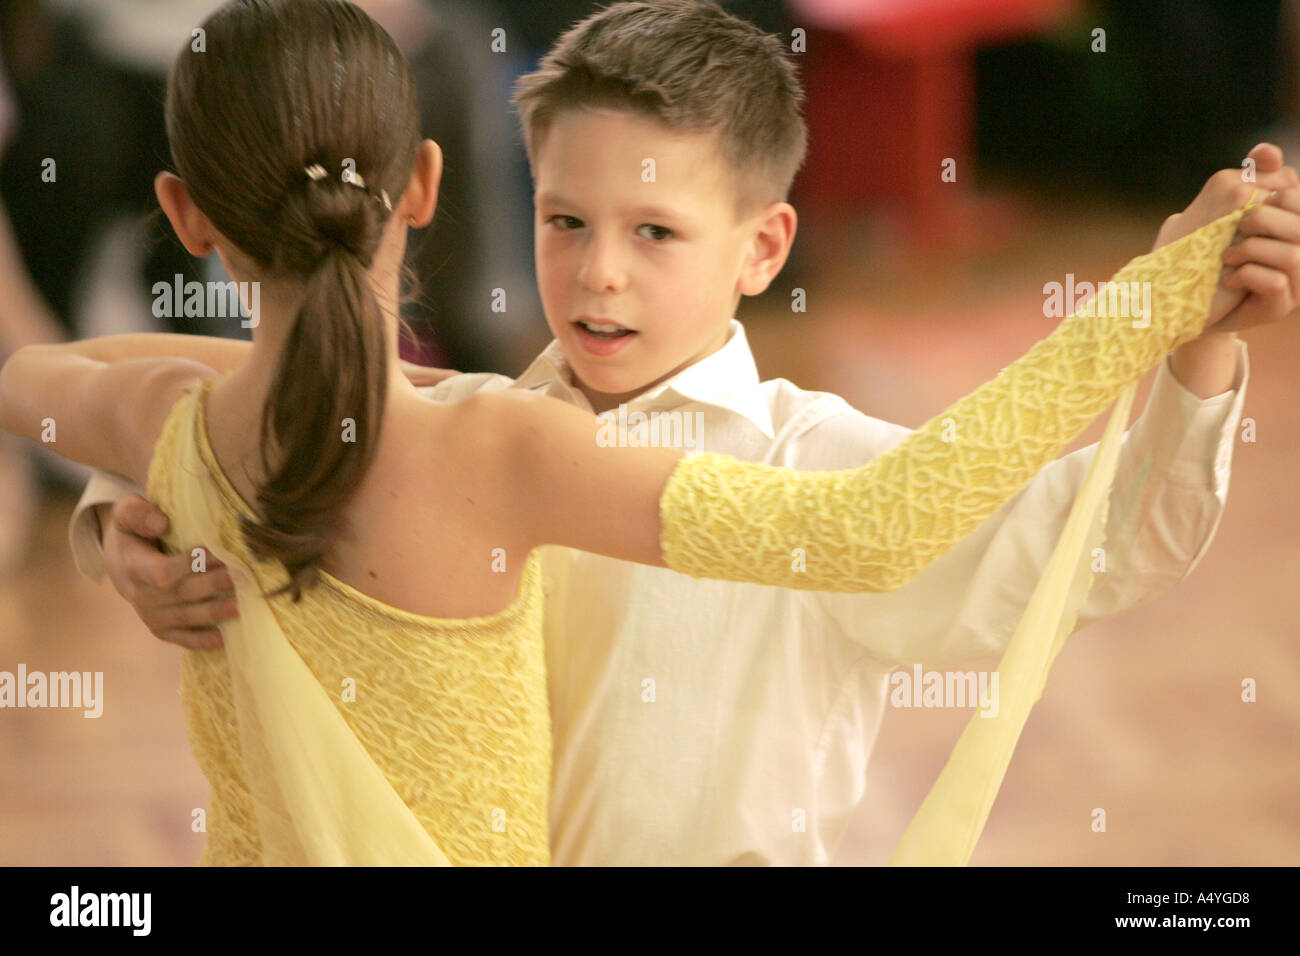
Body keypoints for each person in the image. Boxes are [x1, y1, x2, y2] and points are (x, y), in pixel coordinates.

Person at [14, 0, 1291, 865]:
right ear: (466, 194)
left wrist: (1189, 330)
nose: (599, 277)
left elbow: (1114, 541)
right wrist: (120, 533)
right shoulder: (457, 431)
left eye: (655, 232)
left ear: (763, 245)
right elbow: (240, 405)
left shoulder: (819, 458)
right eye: (565, 221)